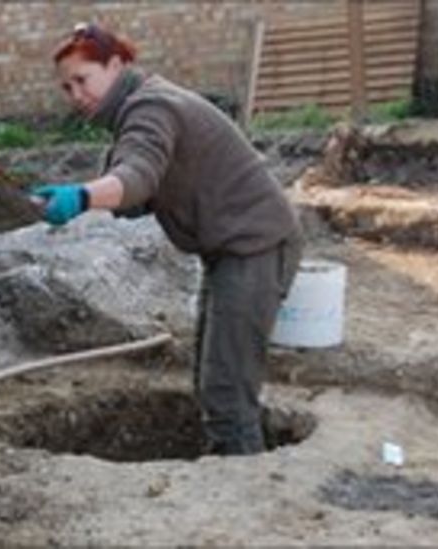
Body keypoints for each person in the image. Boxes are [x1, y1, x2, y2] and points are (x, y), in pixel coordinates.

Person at [32, 23, 304, 456]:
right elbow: (144, 189)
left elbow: (137, 176)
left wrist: (82, 196)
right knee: (212, 378)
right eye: (66, 88)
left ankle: (243, 493)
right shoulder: (139, 108)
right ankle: (229, 471)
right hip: (233, 249)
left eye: (82, 80)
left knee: (227, 391)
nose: (75, 95)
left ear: (117, 64)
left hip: (256, 244)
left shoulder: (151, 106)